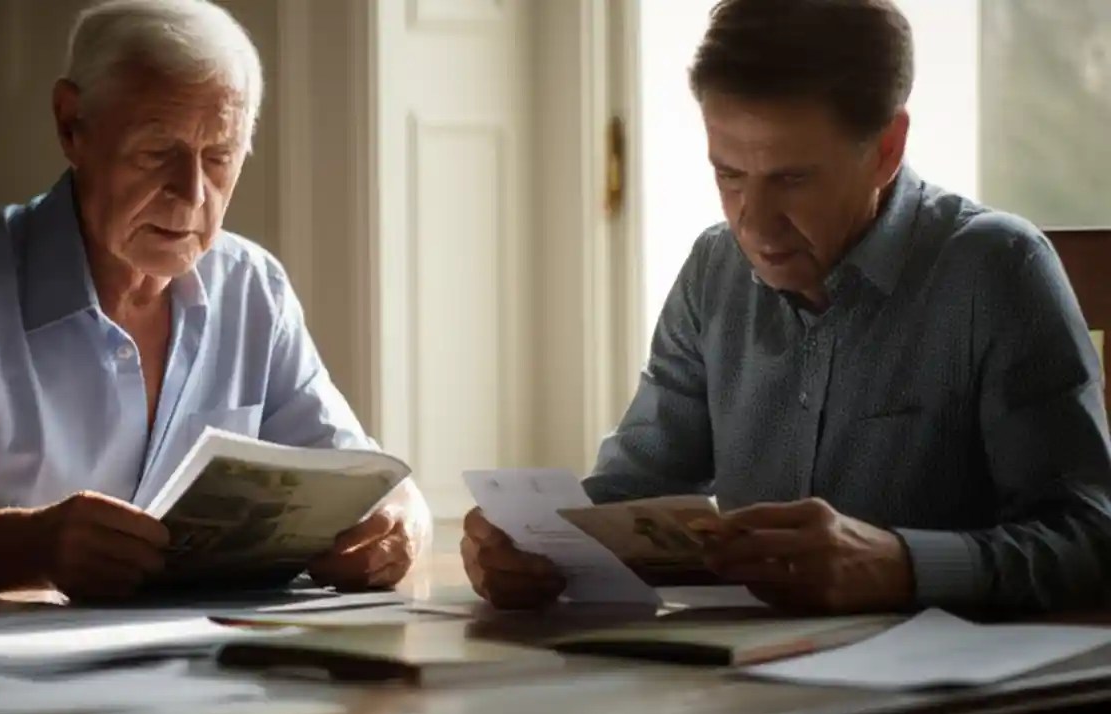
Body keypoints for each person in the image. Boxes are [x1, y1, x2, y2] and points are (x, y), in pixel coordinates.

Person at [463, 0, 1111, 613]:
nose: (756, 226)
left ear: (887, 147)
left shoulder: (996, 270)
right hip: (747, 683)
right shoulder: (712, 272)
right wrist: (538, 548)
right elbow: (635, 494)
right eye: (729, 175)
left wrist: (901, 564)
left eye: (793, 179)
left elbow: (1090, 539)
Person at [0, 0, 429, 601]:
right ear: (71, 125)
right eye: (157, 151)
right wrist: (27, 546)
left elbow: (369, 481)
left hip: (208, 675)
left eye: (219, 157)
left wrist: (402, 527)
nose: (192, 193)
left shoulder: (253, 289)